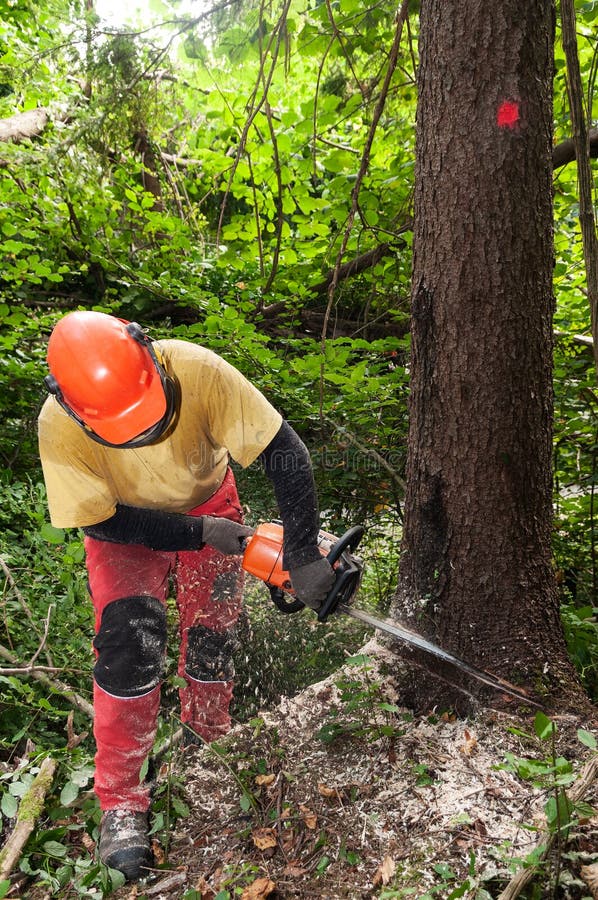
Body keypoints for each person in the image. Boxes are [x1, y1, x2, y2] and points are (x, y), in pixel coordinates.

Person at [38, 310, 334, 881]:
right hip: (124, 526)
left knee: (212, 636)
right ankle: (121, 801)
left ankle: (209, 743)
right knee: (128, 647)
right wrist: (194, 534)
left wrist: (301, 553)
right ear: (75, 406)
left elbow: (286, 454)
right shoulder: (60, 424)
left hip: (209, 499)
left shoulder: (198, 370)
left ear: (150, 357)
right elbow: (101, 523)